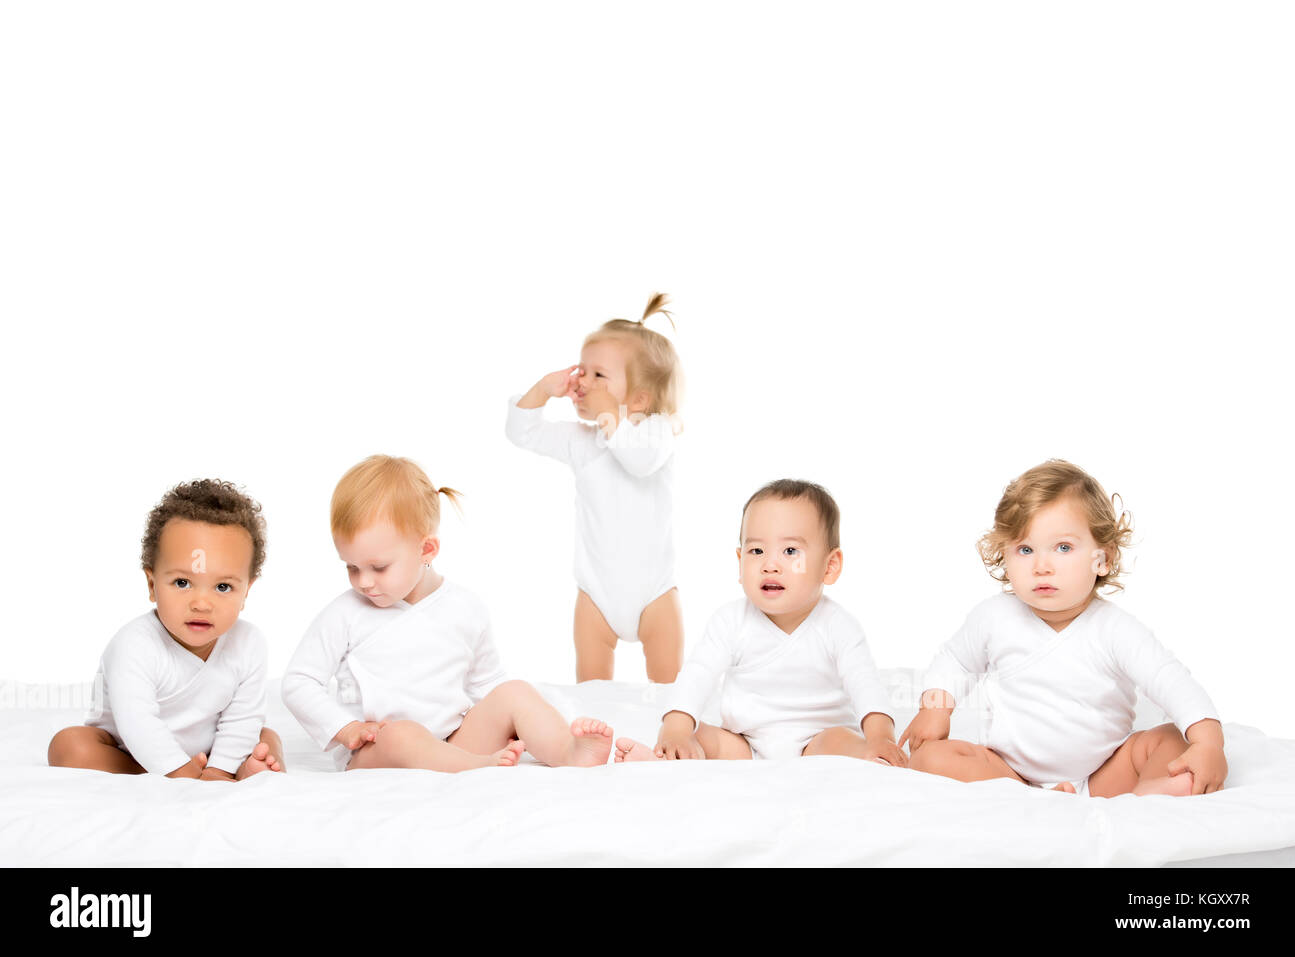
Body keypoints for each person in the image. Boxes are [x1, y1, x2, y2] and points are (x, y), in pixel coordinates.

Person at [899, 459, 1226, 797]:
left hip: (1105, 774)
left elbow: (1170, 680)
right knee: (929, 758)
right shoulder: (995, 617)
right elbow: (956, 661)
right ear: (1004, 555)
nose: (1042, 566)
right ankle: (1033, 800)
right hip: (1009, 774)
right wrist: (935, 708)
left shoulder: (1115, 630)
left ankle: (1144, 796)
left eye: (1064, 548)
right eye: (1025, 549)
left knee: (1172, 737)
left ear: (1104, 558)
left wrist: (1209, 743)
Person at [282, 454, 614, 772]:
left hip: (455, 741)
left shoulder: (465, 608)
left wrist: (511, 721)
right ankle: (474, 768)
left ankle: (568, 752)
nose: (364, 582)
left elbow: (488, 681)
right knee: (403, 733)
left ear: (426, 549)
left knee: (515, 692)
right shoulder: (346, 613)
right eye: (351, 567)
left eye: (378, 567)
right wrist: (346, 727)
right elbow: (299, 682)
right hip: (376, 751)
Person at [614, 479, 904, 765]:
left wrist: (880, 738)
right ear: (740, 561)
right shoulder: (730, 621)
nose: (769, 564)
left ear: (829, 567)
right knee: (700, 735)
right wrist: (676, 729)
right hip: (745, 742)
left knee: (846, 743)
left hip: (818, 740)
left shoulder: (838, 625)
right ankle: (663, 757)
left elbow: (865, 685)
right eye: (756, 551)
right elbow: (696, 676)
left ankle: (876, 760)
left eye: (790, 551)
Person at [48, 479, 283, 780]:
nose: (201, 603)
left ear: (246, 592)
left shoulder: (249, 643)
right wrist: (184, 773)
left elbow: (242, 717)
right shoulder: (134, 645)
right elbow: (138, 723)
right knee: (69, 745)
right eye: (182, 583)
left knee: (266, 737)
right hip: (129, 749)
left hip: (211, 750)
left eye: (223, 586)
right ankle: (149, 771)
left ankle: (233, 770)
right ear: (152, 584)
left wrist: (219, 767)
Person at [505, 292, 685, 682]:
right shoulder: (582, 442)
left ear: (639, 398)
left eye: (598, 375)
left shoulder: (657, 432)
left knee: (671, 690)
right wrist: (542, 390)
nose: (583, 382)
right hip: (596, 594)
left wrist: (608, 416)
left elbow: (639, 462)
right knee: (591, 691)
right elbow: (523, 433)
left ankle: (671, 735)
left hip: (654, 593)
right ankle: (595, 734)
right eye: (581, 371)